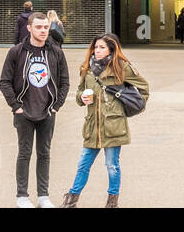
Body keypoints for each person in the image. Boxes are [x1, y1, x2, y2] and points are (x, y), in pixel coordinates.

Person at [61, 34, 150, 208]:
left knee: (112, 165)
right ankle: (71, 199)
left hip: (113, 126)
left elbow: (144, 88)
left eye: (102, 47)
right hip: (92, 126)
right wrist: (82, 98)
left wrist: (128, 109)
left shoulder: (121, 67)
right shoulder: (86, 69)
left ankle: (112, 202)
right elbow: (79, 92)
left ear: (111, 48)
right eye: (96, 47)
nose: (98, 50)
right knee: (83, 164)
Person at [0, 11, 71, 208]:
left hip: (47, 112)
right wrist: (16, 106)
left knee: (44, 153)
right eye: (38, 27)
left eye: (46, 27)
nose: (43, 31)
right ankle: (22, 196)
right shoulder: (17, 52)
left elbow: (64, 82)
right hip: (24, 112)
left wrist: (56, 106)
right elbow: (5, 82)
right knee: (24, 153)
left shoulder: (56, 52)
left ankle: (43, 196)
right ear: (29, 28)